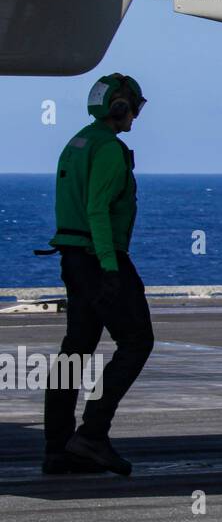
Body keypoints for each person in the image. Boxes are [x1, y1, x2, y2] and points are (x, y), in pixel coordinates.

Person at [42, 74, 153, 476]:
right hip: (98, 256)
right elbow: (98, 211)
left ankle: (58, 447)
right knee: (138, 340)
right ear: (119, 107)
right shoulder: (108, 148)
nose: (135, 117)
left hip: (74, 258)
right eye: (133, 108)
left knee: (76, 349)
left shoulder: (76, 143)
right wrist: (109, 267)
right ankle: (92, 433)